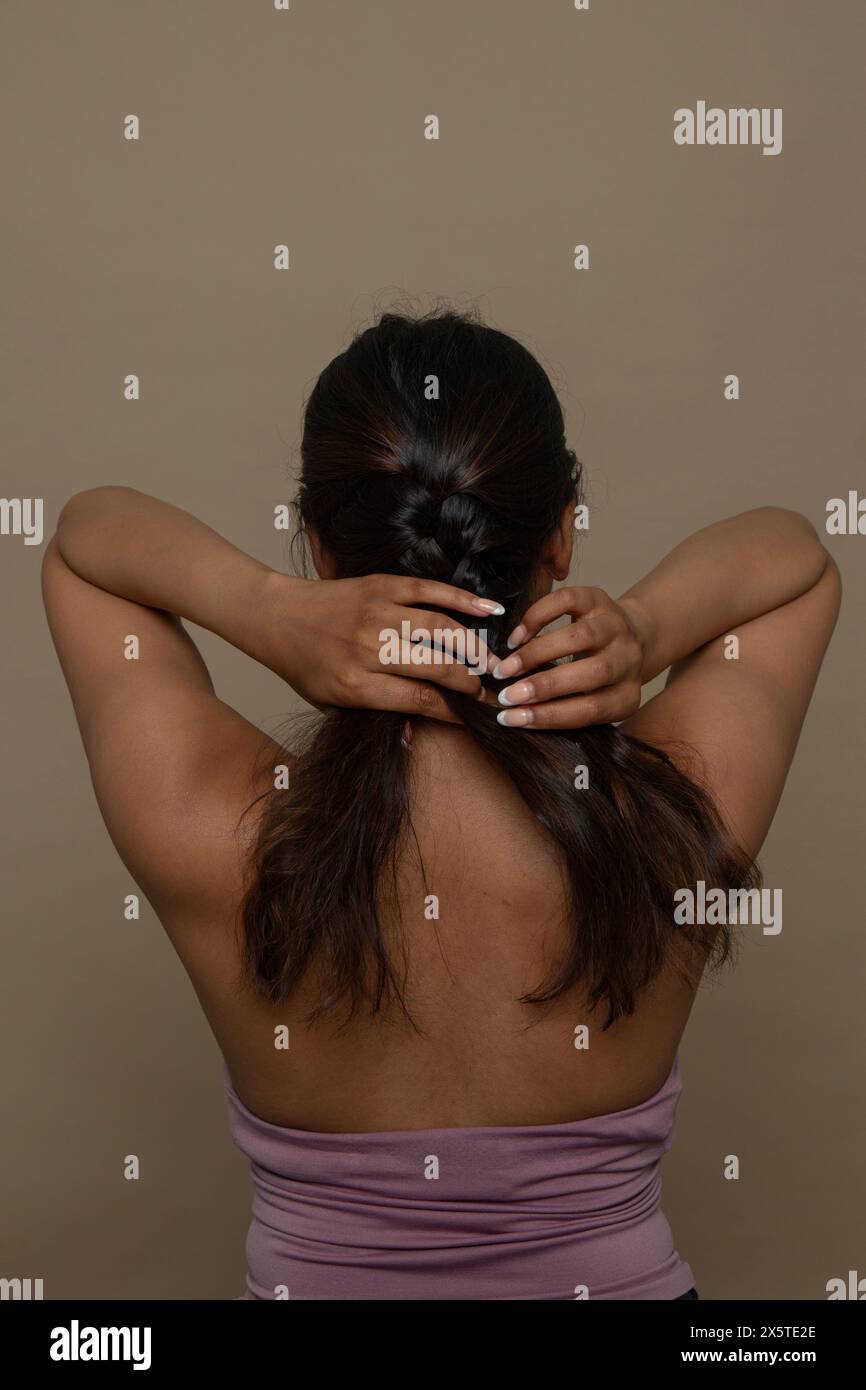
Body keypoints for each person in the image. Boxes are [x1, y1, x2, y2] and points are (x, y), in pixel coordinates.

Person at [42, 310, 840, 1299]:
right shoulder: (663, 821)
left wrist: (261, 606)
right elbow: (795, 557)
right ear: (559, 532)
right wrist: (644, 623)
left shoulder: (219, 829)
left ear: (319, 548)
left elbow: (84, 538)